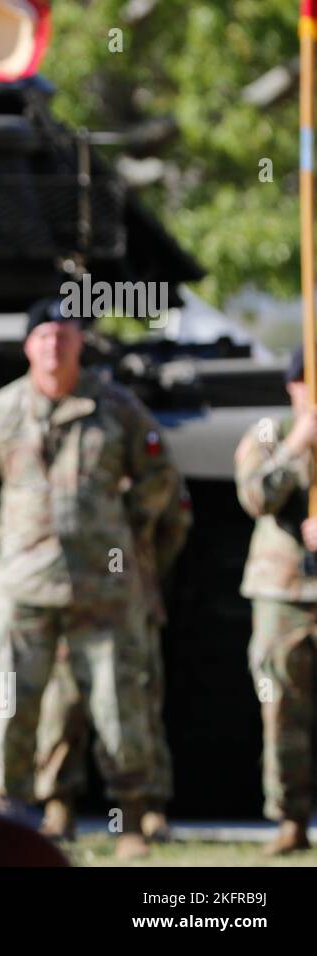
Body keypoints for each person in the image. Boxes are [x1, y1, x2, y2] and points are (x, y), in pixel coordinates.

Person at [0, 296, 180, 861]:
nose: (54, 345)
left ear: (79, 343)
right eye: (44, 336)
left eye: (64, 335)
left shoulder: (117, 406)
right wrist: (4, 529)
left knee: (117, 702)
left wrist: (123, 531)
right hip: (25, 584)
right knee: (12, 704)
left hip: (104, 588)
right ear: (28, 346)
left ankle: (131, 818)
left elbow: (158, 476)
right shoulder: (2, 410)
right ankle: (8, 814)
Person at [33, 478, 191, 842]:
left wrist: (141, 572)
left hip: (129, 605)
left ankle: (148, 807)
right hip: (66, 599)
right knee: (61, 706)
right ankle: (59, 806)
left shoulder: (141, 459)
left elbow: (175, 522)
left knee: (137, 706)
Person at [235, 346, 317, 855]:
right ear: (292, 386)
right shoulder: (269, 432)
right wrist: (298, 444)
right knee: (281, 707)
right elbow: (256, 497)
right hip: (282, 591)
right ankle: (289, 818)